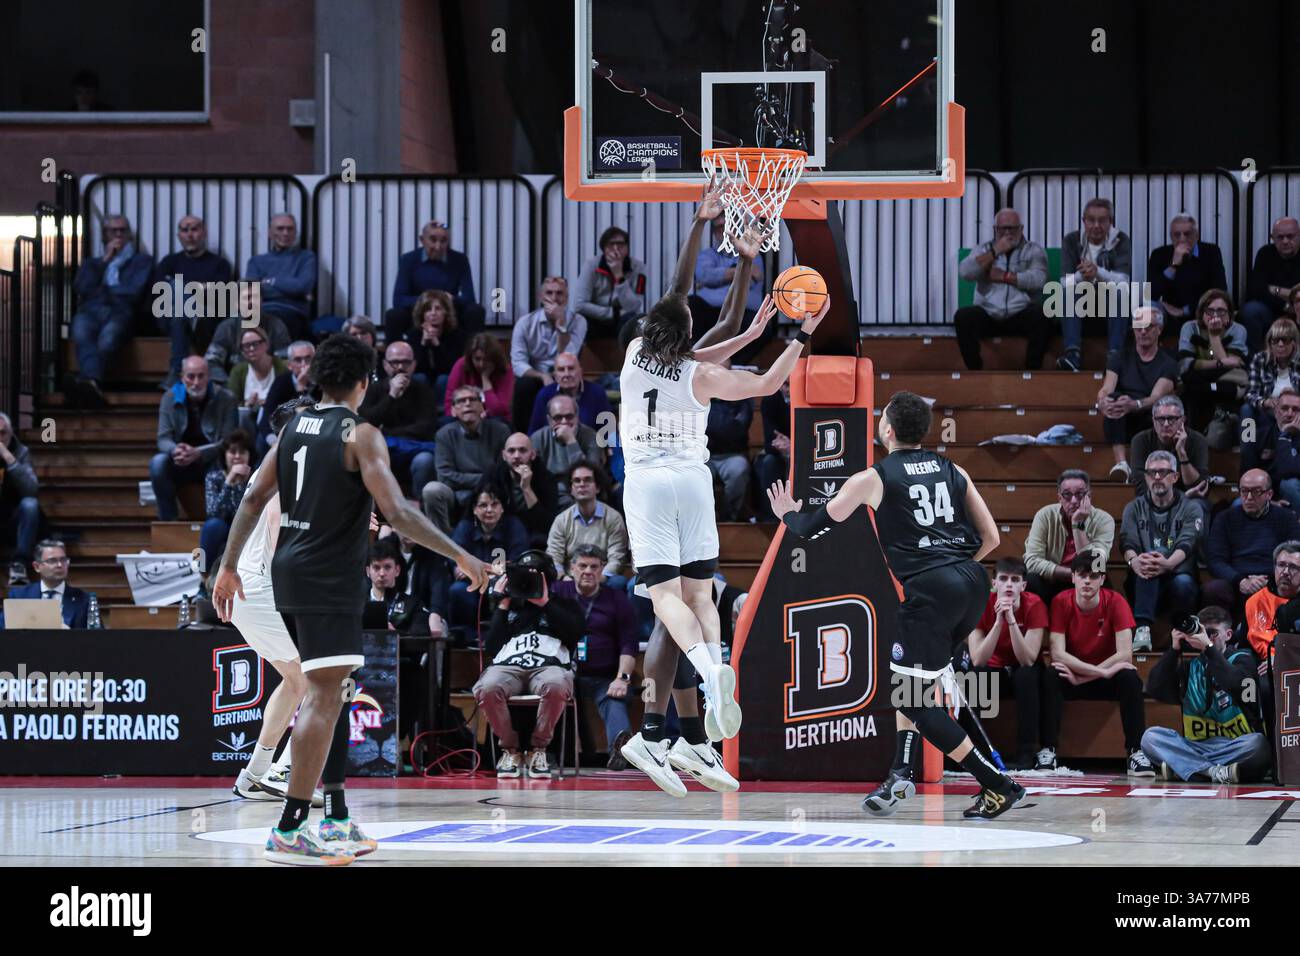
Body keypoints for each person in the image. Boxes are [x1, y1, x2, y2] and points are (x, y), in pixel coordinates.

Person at [212, 334, 491, 865]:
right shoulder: (360, 433)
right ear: (365, 382)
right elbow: (402, 515)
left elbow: (251, 497)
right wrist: (463, 556)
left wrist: (226, 567)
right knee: (320, 694)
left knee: (334, 688)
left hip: (289, 573)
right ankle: (292, 827)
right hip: (325, 578)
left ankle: (337, 818)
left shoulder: (293, 426)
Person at [770, 390, 1025, 818]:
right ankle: (902, 772)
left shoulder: (874, 476)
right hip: (973, 581)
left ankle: (997, 784)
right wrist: (953, 571)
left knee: (911, 698)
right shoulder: (953, 468)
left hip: (932, 591)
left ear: (887, 430)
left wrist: (786, 513)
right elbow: (993, 539)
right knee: (914, 681)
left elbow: (811, 528)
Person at [614, 189, 781, 795]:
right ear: (686, 338)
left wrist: (696, 223)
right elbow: (729, 332)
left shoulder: (637, 354)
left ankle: (675, 735)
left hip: (646, 485)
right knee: (692, 600)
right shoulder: (694, 369)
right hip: (692, 480)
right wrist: (746, 264)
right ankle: (674, 728)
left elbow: (682, 295)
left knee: (667, 607)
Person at [225, 396, 323, 807]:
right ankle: (284, 772)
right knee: (319, 678)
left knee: (298, 679)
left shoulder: (284, 462)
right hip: (258, 588)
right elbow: (279, 529)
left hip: (249, 590)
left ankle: (255, 776)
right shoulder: (287, 463)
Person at [1042, 551, 1153, 776]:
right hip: (1079, 674)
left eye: (1094, 576)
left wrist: (1089, 676)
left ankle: (1135, 751)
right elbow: (1058, 654)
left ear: (1102, 579)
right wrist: (1096, 672)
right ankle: (1047, 750)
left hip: (1103, 677)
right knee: (1051, 674)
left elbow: (1124, 655)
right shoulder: (1061, 601)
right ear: (1072, 577)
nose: (1087, 581)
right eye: (1082, 575)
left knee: (1130, 678)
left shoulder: (1116, 601)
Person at [475, 551, 582, 779]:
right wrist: (501, 604)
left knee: (556, 684)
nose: (528, 581)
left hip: (549, 666)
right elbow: (492, 646)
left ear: (548, 577)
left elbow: (574, 634)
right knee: (487, 686)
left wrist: (545, 604)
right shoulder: (509, 606)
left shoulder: (565, 604)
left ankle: (538, 749)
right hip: (509, 666)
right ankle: (510, 750)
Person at [1141, 606, 1272, 784]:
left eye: (1213, 633)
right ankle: (1212, 772)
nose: (1207, 637)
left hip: (1235, 745)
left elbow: (1239, 688)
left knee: (1258, 744)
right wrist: (1174, 650)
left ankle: (1185, 768)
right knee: (1150, 737)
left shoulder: (1243, 659)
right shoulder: (1190, 667)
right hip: (1197, 747)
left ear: (1228, 634)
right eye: (1203, 632)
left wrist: (1209, 649)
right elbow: (1155, 689)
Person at [551, 545, 639, 766]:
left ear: (602, 570)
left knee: (614, 698)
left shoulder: (617, 599)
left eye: (594, 566)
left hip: (605, 675)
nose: (588, 571)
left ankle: (621, 752)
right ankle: (546, 753)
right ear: (572, 568)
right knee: (550, 690)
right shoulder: (557, 591)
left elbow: (629, 644)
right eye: (582, 566)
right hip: (563, 672)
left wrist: (622, 678)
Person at [964, 559, 1050, 771]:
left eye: (1015, 580)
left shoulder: (1035, 604)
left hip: (1024, 672)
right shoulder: (982, 603)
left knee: (1026, 675)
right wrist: (998, 621)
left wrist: (1011, 620)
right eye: (1003, 579)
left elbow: (1027, 659)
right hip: (995, 671)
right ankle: (980, 753)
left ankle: (1026, 754)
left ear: (1024, 586)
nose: (1009, 585)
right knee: (975, 676)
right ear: (994, 583)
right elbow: (978, 659)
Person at [1120, 450, 1203, 652]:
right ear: (1146, 477)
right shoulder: (1134, 507)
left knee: (1182, 581)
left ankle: (1181, 630)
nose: (1157, 477)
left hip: (1178, 578)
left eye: (1163, 472)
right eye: (1152, 473)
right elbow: (1126, 541)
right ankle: (1142, 630)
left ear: (1175, 477)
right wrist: (1134, 562)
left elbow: (1188, 542)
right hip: (1141, 581)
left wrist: (1167, 563)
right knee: (1148, 562)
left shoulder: (1191, 507)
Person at [68, 215, 154, 407]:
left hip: (121, 311)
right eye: (112, 231)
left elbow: (133, 291)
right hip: (91, 311)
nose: (118, 235)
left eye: (122, 230)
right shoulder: (93, 263)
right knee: (81, 331)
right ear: (104, 235)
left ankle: (88, 380)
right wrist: (104, 262)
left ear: (129, 234)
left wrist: (100, 291)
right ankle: (92, 383)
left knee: (109, 338)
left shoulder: (141, 261)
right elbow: (82, 288)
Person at [954, 208, 1051, 370]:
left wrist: (1005, 277)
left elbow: (1039, 280)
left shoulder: (1034, 250)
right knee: (963, 317)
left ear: (1021, 229)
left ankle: (1033, 372)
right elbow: (965, 272)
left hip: (1020, 312)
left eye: (1012, 228)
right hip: (988, 313)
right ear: (995, 229)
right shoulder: (983, 250)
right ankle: (974, 371)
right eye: (1002, 228)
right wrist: (995, 251)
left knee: (1043, 315)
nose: (1008, 233)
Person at [150, 356, 239, 521]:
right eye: (191, 376)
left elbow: (229, 441)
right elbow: (163, 438)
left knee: (227, 462)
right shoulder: (170, 397)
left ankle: (218, 521)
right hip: (181, 460)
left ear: (209, 376)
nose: (196, 382)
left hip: (212, 460)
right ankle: (168, 520)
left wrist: (199, 453)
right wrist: (175, 450)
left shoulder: (226, 398)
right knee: (158, 463)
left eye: (201, 376)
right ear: (182, 377)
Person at [1096, 306, 1178, 480]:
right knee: (1113, 399)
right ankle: (1121, 464)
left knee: (1160, 412)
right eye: (1138, 327)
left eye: (1148, 327)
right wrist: (1103, 401)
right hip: (1121, 417)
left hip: (1149, 418)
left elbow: (1156, 398)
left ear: (1159, 330)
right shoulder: (1119, 357)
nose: (1143, 331)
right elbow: (1106, 388)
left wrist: (1134, 404)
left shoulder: (1168, 363)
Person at [153, 215, 235, 387]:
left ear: (204, 233)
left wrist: (183, 288)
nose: (190, 234)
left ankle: (177, 373)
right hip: (169, 313)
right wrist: (197, 288)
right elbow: (160, 290)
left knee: (180, 313)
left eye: (195, 229)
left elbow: (219, 293)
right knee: (177, 304)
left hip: (205, 315)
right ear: (179, 236)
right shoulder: (169, 262)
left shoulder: (219, 264)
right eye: (185, 230)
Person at [1205, 469, 1299, 612]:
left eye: (1256, 492)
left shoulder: (1286, 518)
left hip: (1274, 578)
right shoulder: (1225, 518)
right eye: (1244, 491)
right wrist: (1241, 580)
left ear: (1269, 494)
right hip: (1237, 579)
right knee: (1214, 589)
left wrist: (1272, 579)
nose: (1248, 497)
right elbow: (1215, 560)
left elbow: (1295, 556)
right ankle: (1224, 632)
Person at [422, 385, 511, 532]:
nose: (468, 404)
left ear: (482, 407)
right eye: (462, 401)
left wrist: (482, 484)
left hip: (492, 491)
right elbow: (445, 476)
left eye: (472, 400)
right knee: (432, 490)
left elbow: (502, 473)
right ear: (453, 410)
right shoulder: (444, 435)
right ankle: (444, 541)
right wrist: (483, 478)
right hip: (455, 494)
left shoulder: (500, 431)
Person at [1057, 198, 1133, 370]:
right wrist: (1083, 275)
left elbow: (1124, 282)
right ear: (1084, 221)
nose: (1096, 225)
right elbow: (1063, 282)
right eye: (1091, 220)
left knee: (1121, 293)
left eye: (1102, 220)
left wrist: (1097, 271)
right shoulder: (1071, 240)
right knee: (1066, 292)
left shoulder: (1121, 240)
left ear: (1110, 223)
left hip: (1109, 300)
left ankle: (1115, 356)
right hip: (1082, 301)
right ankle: (1072, 355)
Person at [359, 341, 441, 497]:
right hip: (382, 449)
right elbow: (366, 423)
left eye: (405, 362)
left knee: (424, 461)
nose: (400, 367)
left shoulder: (423, 390)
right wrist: (392, 396)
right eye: (395, 362)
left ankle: (420, 511)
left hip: (414, 448)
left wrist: (387, 431)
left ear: (414, 365)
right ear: (385, 365)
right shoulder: (374, 390)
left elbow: (426, 427)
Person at [1023, 469, 1116, 605]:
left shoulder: (1104, 520)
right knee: (1031, 579)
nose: (1074, 501)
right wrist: (1071, 574)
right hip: (1052, 580)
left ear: (1089, 495)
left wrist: (1077, 525)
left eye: (1080, 494)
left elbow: (1097, 563)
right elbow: (1031, 561)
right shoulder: (1045, 515)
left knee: (1103, 579)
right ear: (1059, 497)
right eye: (1067, 495)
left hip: (1086, 581)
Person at [509, 277, 587, 432]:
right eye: (549, 293)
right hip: (535, 377)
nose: (554, 298)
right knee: (524, 386)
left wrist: (561, 326)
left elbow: (567, 357)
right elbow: (518, 363)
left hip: (564, 372)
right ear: (541, 297)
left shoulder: (579, 321)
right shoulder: (525, 323)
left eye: (559, 293)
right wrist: (542, 376)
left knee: (571, 380)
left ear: (566, 298)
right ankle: (523, 436)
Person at [386, 220, 482, 343]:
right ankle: (394, 357)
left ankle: (471, 357)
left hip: (448, 313)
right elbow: (398, 300)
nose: (438, 246)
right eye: (433, 240)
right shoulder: (408, 260)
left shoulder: (460, 260)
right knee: (394, 315)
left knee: (475, 311)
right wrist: (426, 300)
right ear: (422, 240)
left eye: (443, 241)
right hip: (418, 312)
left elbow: (470, 298)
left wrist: (450, 299)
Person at [1175, 289, 1249, 444]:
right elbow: (1184, 365)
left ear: (1229, 314)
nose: (1215, 316)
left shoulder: (1238, 330)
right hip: (1212, 385)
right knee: (1188, 381)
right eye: (1210, 311)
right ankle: (1191, 440)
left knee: (1194, 383)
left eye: (1221, 311)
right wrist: (1220, 363)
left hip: (1216, 385)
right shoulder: (1190, 328)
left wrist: (1214, 336)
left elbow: (1233, 369)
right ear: (1201, 313)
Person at [449, 488, 527, 631]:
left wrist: (478, 570)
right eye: (483, 505)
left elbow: (517, 562)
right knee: (457, 590)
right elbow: (456, 559)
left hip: (503, 584)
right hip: (473, 585)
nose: (489, 510)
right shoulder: (465, 527)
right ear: (474, 509)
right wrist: (461, 568)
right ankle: (466, 637)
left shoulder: (514, 526)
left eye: (494, 504)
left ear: (502, 508)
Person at [1128, 395, 1211, 526]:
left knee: (1198, 506)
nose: (1166, 424)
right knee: (1138, 506)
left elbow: (1199, 488)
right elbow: (1141, 485)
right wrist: (1180, 498)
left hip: (1189, 501)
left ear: (1182, 420)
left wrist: (1182, 454)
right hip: (1155, 498)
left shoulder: (1197, 440)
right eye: (1161, 419)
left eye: (1171, 419)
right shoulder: (1140, 441)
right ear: (1153, 420)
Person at [546, 462, 630, 591]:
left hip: (602, 579)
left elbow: (617, 557)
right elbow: (553, 556)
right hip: (571, 578)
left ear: (597, 487)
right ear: (571, 489)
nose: (581, 484)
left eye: (588, 480)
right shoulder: (561, 520)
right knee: (551, 584)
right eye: (576, 481)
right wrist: (562, 577)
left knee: (618, 582)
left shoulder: (613, 518)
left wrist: (598, 578)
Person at [1148, 214, 1228, 336]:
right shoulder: (1159, 254)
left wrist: (1184, 311)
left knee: (1217, 303)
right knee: (1150, 307)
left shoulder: (1211, 252)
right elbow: (1151, 293)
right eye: (1177, 235)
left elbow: (1219, 290)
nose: (1182, 239)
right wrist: (1173, 265)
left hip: (1201, 310)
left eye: (1187, 234)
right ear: (1171, 237)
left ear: (1196, 235)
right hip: (1169, 311)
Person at [243, 214, 316, 340]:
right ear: (270, 233)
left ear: (295, 233)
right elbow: (252, 291)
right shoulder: (256, 261)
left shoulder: (306, 257)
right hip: (260, 310)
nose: (286, 233)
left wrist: (269, 281)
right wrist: (290, 289)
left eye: (290, 229)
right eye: (280, 228)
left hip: (292, 311)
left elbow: (302, 286)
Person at [1241, 317, 1300, 473]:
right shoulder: (1260, 359)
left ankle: (1272, 454)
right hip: (1265, 413)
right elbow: (1250, 394)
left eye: (1286, 340)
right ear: (1270, 342)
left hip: (1294, 414)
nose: (1280, 344)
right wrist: (1264, 402)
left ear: (1294, 342)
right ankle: (1248, 468)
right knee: (1246, 412)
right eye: (1276, 340)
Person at [574, 226, 649, 339]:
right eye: (610, 245)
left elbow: (634, 306)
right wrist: (612, 313)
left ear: (627, 248)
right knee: (579, 321)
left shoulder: (639, 268)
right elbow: (579, 304)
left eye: (620, 245)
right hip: (597, 318)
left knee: (634, 321)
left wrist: (619, 276)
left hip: (623, 319)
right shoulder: (590, 266)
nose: (616, 249)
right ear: (604, 249)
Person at [529, 394, 603, 507]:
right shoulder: (538, 438)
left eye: (569, 416)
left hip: (580, 494)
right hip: (549, 495)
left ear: (577, 417)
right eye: (558, 417)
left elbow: (589, 476)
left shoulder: (591, 437)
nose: (564, 422)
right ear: (549, 419)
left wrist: (571, 442)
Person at [200, 429, 254, 579]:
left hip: (246, 528)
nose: (237, 456)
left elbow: (248, 514)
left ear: (249, 455)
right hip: (220, 528)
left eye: (242, 452)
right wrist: (229, 482)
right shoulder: (214, 477)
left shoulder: (257, 478)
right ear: (225, 455)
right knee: (212, 526)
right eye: (232, 452)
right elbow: (213, 511)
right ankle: (202, 577)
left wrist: (243, 483)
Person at [1241, 216, 1300, 351]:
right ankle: (1257, 359)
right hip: (1271, 308)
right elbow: (1256, 289)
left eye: (1290, 236)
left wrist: (1276, 290)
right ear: (1272, 238)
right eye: (1280, 237)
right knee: (1250, 310)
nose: (1285, 241)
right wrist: (1286, 304)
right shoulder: (1265, 253)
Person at [1, 540, 89, 629]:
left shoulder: (84, 599)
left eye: (63, 560)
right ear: (37, 566)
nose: (59, 565)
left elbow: (96, 636)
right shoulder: (19, 596)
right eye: (52, 560)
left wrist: (70, 634)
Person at [704, 366, 754, 521]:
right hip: (704, 455)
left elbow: (738, 431)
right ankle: (706, 517)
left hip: (732, 455)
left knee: (738, 469)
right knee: (695, 472)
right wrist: (725, 426)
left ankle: (731, 516)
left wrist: (713, 426)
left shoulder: (741, 396)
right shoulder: (699, 392)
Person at [0, 412, 43, 586]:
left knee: (30, 505)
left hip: (12, 520)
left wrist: (9, 459)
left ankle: (19, 564)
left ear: (11, 433)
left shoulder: (20, 452)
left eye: (3, 433)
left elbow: (31, 490)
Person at [401, 290, 466, 403]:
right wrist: (423, 344)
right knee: (419, 378)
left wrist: (437, 344)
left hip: (444, 379)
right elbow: (411, 368)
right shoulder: (414, 334)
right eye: (428, 309)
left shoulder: (456, 335)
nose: (433, 313)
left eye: (438, 309)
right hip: (423, 379)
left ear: (446, 312)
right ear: (422, 314)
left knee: (443, 379)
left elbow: (453, 368)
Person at [527, 351, 612, 434]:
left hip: (588, 446)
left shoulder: (597, 393)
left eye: (571, 369)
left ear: (580, 371)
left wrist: (612, 447)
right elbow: (534, 433)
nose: (566, 374)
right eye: (561, 370)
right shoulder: (544, 395)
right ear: (555, 375)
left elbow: (610, 432)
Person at [1243, 540, 1300, 665]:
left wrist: (1281, 661)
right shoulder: (1256, 601)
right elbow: (1245, 644)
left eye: (1293, 567)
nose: (1285, 572)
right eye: (1281, 565)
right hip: (1262, 664)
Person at [227, 326, 287, 435]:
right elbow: (231, 404)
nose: (251, 349)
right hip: (248, 426)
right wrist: (247, 404)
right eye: (246, 346)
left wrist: (270, 403)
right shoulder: (238, 371)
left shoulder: (282, 367)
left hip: (277, 422)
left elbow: (290, 399)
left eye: (255, 344)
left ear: (266, 344)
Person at [257, 340, 315, 455]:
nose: (304, 364)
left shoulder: (323, 383)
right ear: (289, 365)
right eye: (298, 360)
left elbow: (314, 417)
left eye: (308, 359)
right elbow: (266, 418)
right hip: (283, 437)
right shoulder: (281, 382)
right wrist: (276, 444)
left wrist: (301, 390)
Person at [204, 314, 291, 386]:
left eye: (256, 343)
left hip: (272, 384)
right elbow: (211, 362)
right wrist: (230, 386)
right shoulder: (225, 328)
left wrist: (274, 389)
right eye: (246, 298)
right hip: (231, 385)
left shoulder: (276, 325)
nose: (252, 348)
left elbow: (285, 362)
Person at [445, 333, 514, 422]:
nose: (482, 364)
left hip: (491, 418)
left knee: (497, 420)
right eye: (477, 359)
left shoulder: (505, 370)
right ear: (471, 357)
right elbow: (449, 402)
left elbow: (498, 410)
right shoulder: (461, 365)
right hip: (464, 416)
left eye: (487, 359)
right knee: (447, 420)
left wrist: (485, 378)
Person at [753, 381, 791, 522]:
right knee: (769, 463)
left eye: (793, 384)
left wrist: (792, 445)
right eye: (786, 384)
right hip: (778, 450)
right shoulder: (770, 399)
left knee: (800, 463)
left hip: (803, 451)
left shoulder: (809, 397)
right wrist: (785, 446)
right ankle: (770, 517)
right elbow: (770, 440)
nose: (789, 389)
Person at [1268, 388, 1300, 503]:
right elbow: (1248, 474)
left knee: (1289, 484)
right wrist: (1271, 503)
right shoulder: (1260, 435)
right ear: (1276, 412)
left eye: (1296, 409)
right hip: (1267, 500)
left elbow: (1287, 471)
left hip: (1295, 495)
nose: (1290, 414)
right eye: (1285, 408)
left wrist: (1284, 436)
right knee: (1238, 503)